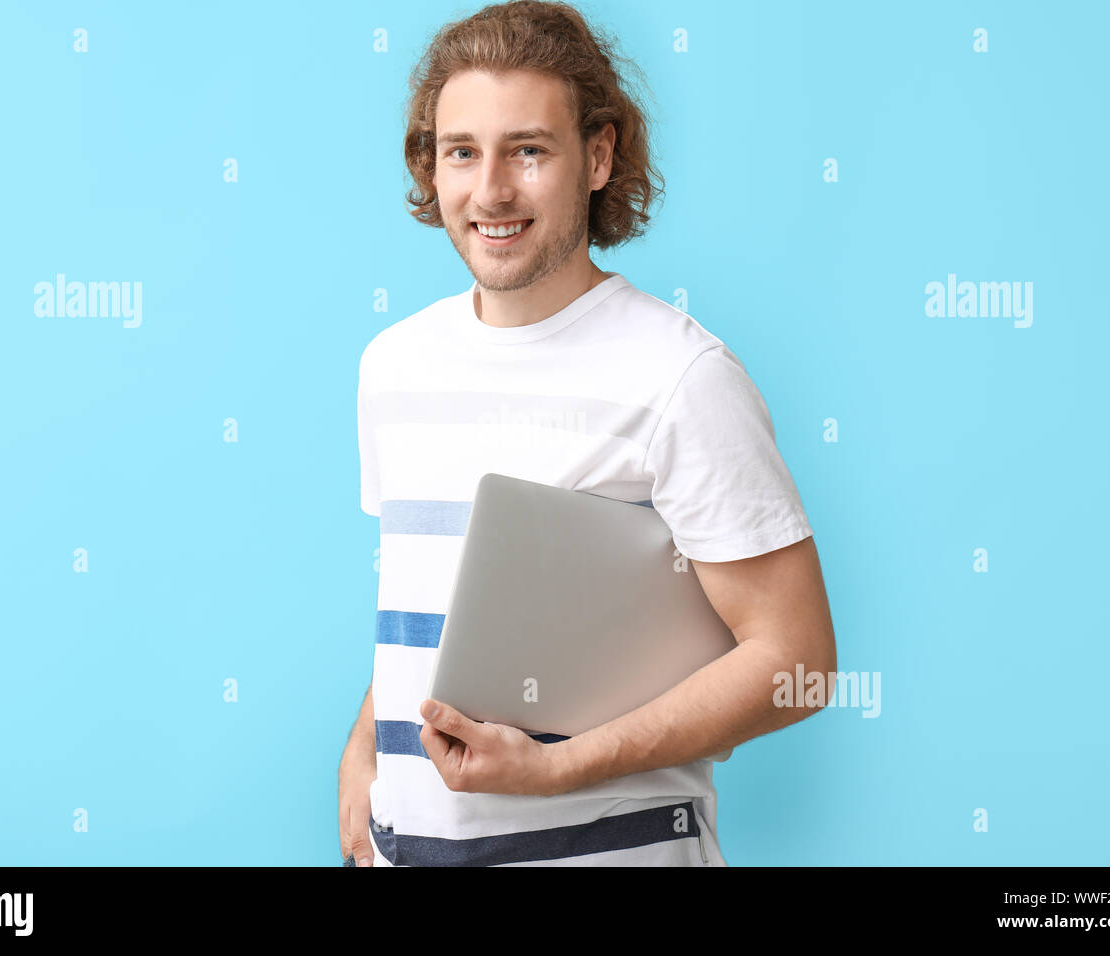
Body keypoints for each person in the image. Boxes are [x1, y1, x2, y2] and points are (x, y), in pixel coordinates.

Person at [339, 0, 836, 867]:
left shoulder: (682, 377)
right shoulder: (392, 365)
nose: (490, 191)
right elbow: (435, 611)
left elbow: (796, 662)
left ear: (598, 156)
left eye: (528, 150)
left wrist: (564, 766)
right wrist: (365, 746)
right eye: (462, 152)